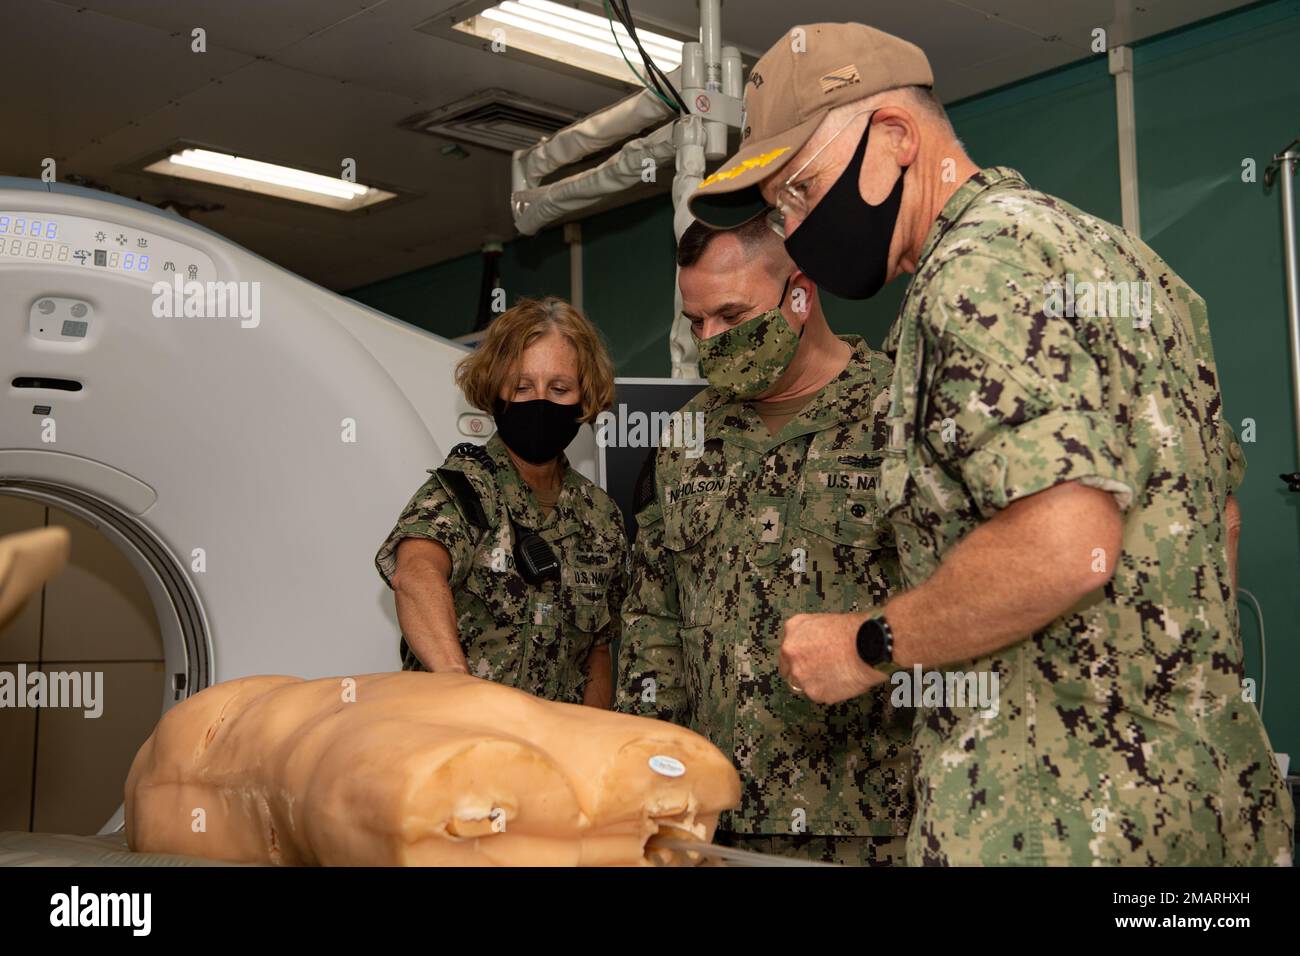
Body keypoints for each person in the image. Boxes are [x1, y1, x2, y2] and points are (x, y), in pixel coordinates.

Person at [689, 21, 1293, 865]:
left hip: (1049, 822)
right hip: (1206, 810)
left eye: (800, 190)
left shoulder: (971, 277)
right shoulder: (1124, 262)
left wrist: (867, 646)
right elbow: (1214, 518)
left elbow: (1067, 547)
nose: (792, 229)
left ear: (894, 138)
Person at [615, 216, 912, 865]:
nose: (710, 341)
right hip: (711, 816)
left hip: (870, 823)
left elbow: (962, 603)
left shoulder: (898, 417)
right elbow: (652, 625)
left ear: (799, 296)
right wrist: (652, 781)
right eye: (696, 323)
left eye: (730, 315)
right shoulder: (687, 436)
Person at [375, 297, 627, 707]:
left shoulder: (601, 518)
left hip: (551, 755)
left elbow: (597, 654)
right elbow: (416, 574)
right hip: (461, 744)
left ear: (584, 398)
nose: (540, 401)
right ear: (496, 392)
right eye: (522, 386)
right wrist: (457, 682)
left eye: (559, 388)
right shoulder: (464, 490)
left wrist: (591, 746)